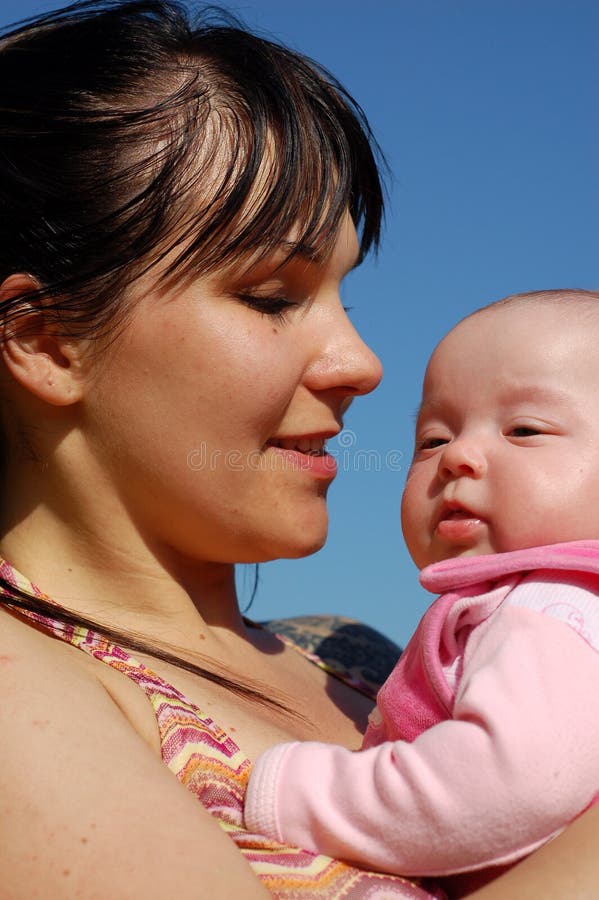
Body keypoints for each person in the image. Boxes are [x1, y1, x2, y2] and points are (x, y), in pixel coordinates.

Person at [0, 1, 596, 896]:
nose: (362, 364)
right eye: (273, 297)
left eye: (344, 298)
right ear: (48, 342)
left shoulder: (361, 658)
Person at [244, 289, 599, 897]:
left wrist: (294, 789)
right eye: (433, 439)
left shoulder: (546, 611)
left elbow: (510, 780)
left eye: (524, 429)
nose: (458, 456)